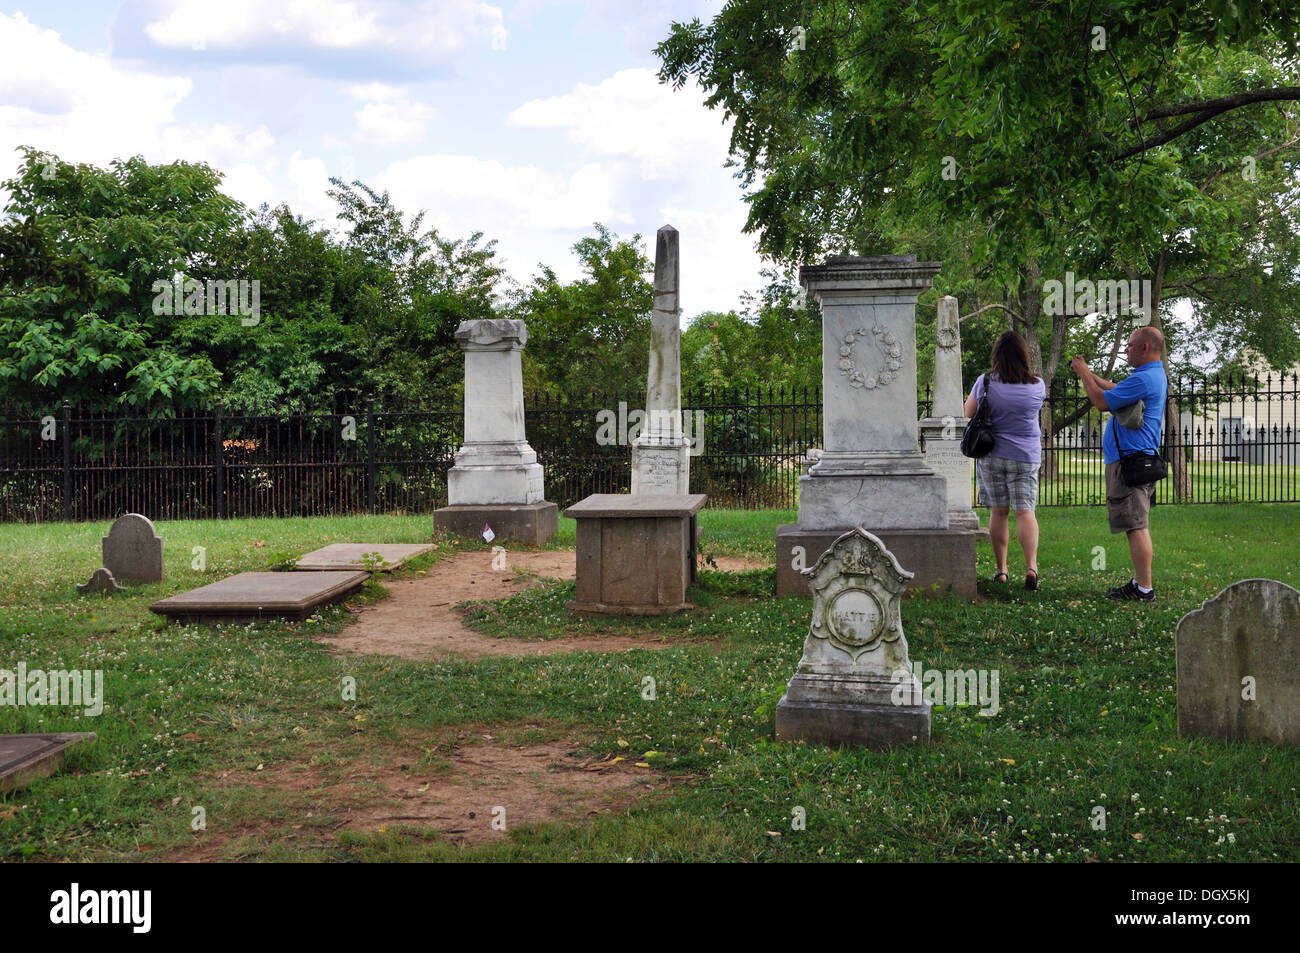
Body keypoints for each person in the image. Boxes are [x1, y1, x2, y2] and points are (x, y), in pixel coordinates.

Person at [1069, 325, 1168, 602]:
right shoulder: (1149, 375)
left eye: (1130, 346)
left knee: (1136, 526)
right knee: (1135, 523)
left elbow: (1101, 402)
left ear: (1145, 347)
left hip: (1131, 462)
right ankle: (1139, 582)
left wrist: (1083, 373)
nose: (1126, 350)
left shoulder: (1145, 378)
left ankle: (1144, 589)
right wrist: (1091, 374)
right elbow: (1116, 390)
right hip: (1136, 459)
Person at [964, 331, 1046, 589]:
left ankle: (1001, 570)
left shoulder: (986, 382)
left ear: (996, 354)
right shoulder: (1037, 386)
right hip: (1025, 455)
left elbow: (968, 412)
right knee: (1025, 512)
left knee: (998, 513)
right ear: (1024, 355)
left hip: (992, 454)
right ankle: (1031, 567)